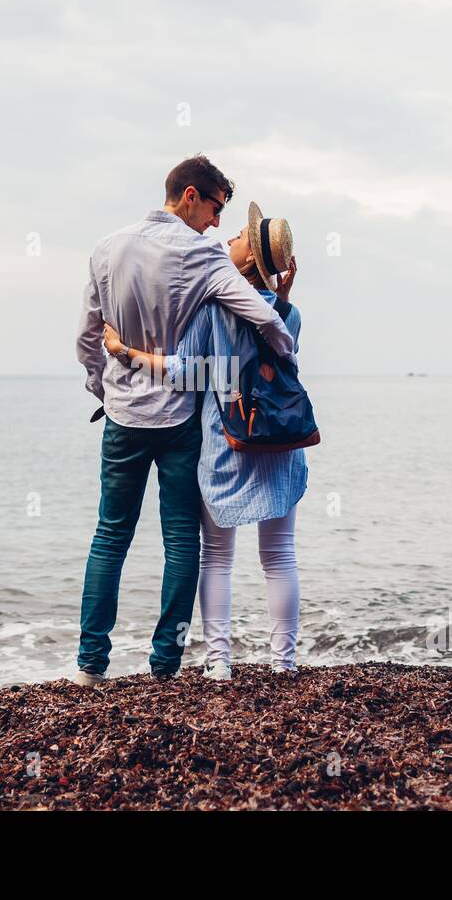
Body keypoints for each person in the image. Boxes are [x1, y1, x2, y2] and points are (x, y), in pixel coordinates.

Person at [73, 157, 297, 686]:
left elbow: (86, 338)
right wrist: (284, 356)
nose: (218, 224)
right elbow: (264, 316)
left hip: (124, 415)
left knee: (110, 536)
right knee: (181, 541)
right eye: (217, 209)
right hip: (178, 419)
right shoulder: (202, 255)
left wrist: (101, 385)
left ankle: (89, 665)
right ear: (191, 196)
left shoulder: (107, 247)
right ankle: (165, 665)